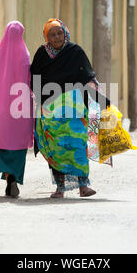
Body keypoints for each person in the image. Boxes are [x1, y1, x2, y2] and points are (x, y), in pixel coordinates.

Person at [31, 18, 110, 198]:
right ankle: (60, 188)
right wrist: (39, 104)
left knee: (78, 144)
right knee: (56, 147)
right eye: (52, 34)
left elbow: (88, 75)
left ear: (65, 33)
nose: (57, 37)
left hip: (74, 108)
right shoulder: (41, 55)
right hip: (50, 110)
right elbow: (34, 79)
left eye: (60, 33)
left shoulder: (75, 51)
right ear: (47, 37)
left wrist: (97, 97)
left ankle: (83, 186)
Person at [0, 21, 33, 198]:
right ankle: (14, 177)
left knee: (2, 141)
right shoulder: (25, 55)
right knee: (17, 144)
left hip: (0, 108)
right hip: (20, 109)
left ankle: (8, 175)